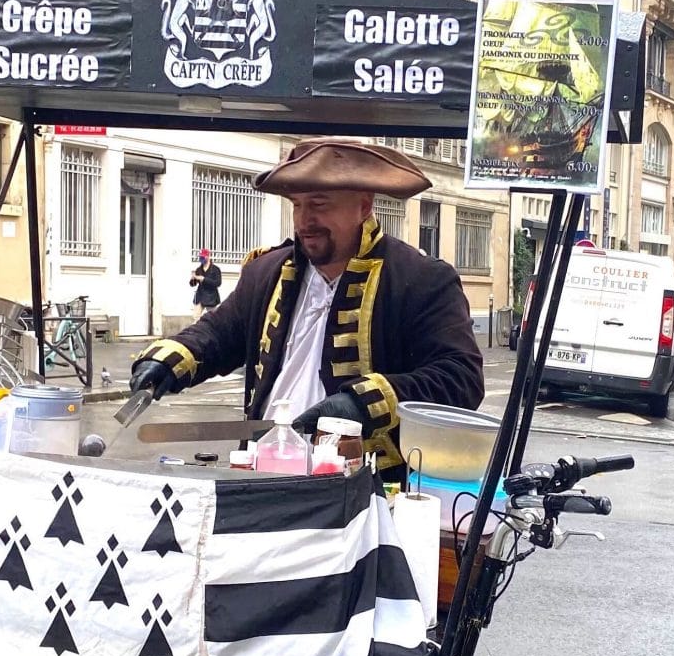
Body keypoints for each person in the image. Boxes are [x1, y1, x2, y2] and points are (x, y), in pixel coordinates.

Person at [130, 141, 482, 479]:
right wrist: (170, 359)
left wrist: (359, 404)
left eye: (319, 204)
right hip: (264, 470)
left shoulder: (421, 278)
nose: (304, 220)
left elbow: (460, 379)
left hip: (363, 487)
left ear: (363, 206)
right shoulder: (266, 271)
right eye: (298, 205)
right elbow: (220, 333)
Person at [188, 248, 223, 318]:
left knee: (214, 320)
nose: (201, 258)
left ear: (208, 256)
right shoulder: (198, 269)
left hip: (211, 298)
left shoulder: (215, 269)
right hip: (200, 297)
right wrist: (193, 279)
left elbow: (218, 283)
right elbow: (193, 284)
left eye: (203, 257)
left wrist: (204, 279)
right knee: (196, 318)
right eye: (200, 257)